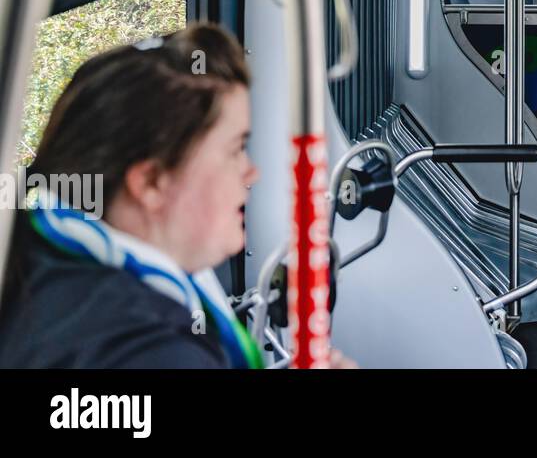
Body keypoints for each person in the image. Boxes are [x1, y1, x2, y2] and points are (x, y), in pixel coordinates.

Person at [0, 24, 354, 368]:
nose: (251, 172)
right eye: (235, 149)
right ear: (152, 182)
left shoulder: (35, 255)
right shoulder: (150, 351)